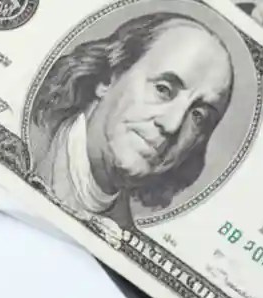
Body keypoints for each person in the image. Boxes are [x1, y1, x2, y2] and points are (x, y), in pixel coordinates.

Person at [29, 13, 234, 225]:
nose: (172, 125)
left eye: (198, 117)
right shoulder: (29, 148)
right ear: (109, 78)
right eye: (163, 89)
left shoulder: (122, 235)